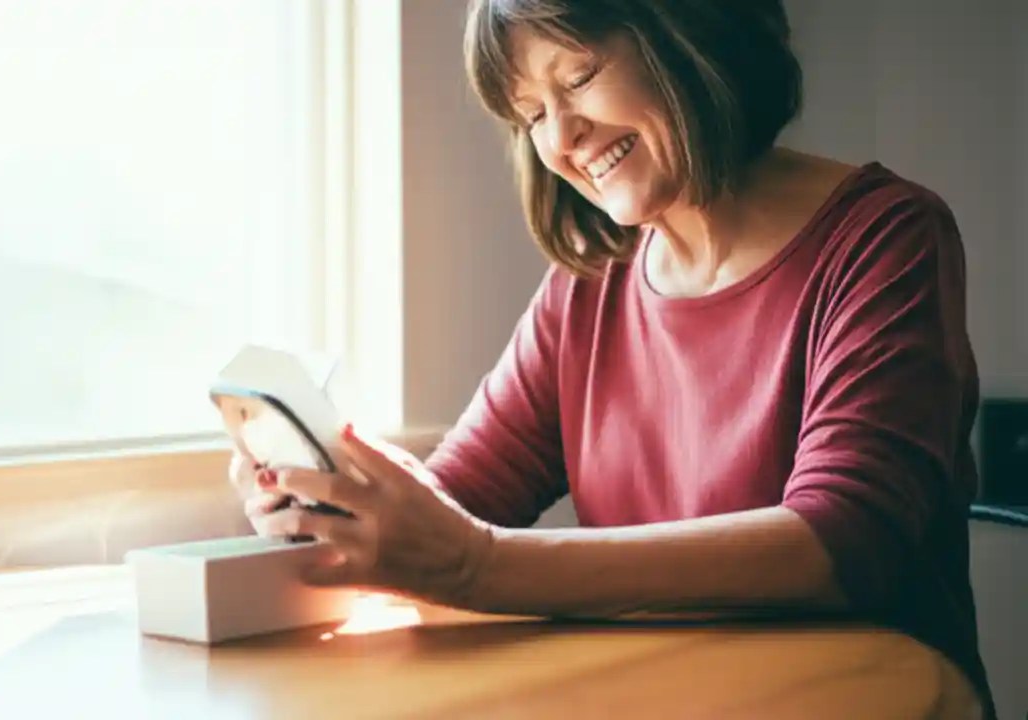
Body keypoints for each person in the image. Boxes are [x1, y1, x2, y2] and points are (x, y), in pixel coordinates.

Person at [228, 0, 993, 714]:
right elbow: (457, 504)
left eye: (580, 77)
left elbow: (845, 541)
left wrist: (479, 564)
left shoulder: (884, 238)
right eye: (532, 115)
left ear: (685, 36)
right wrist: (331, 497)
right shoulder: (590, 286)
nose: (562, 140)